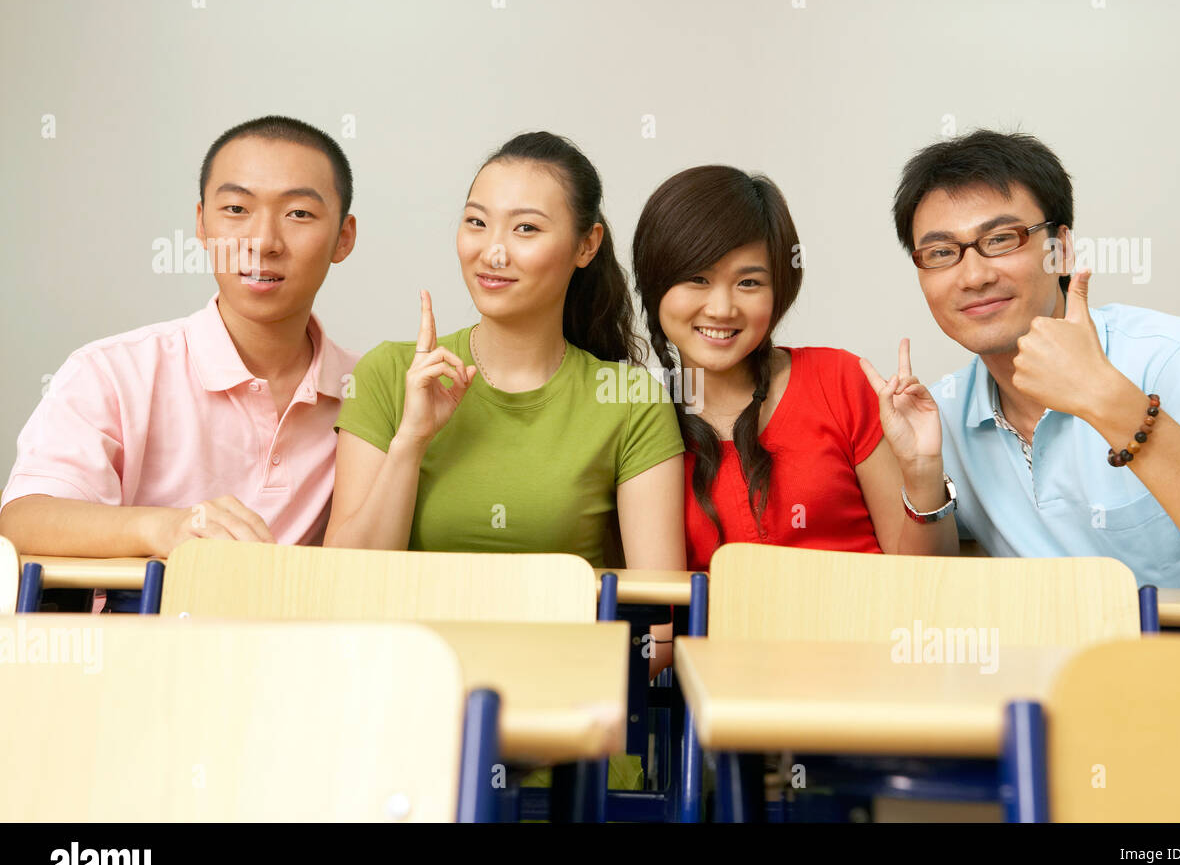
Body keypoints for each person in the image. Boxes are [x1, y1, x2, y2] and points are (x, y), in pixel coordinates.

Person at [893, 129, 1180, 592]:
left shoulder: (1175, 357)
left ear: (1061, 249)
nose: (974, 275)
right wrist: (923, 477)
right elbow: (924, 601)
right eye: (942, 252)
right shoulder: (943, 416)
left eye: (1002, 239)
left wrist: (1104, 397)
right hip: (1073, 664)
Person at [0, 115, 359, 609]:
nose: (263, 241)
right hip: (133, 667)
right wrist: (167, 526)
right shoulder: (113, 372)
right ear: (201, 223)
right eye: (236, 208)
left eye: (298, 214)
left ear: (344, 237)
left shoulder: (368, 393)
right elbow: (23, 520)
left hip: (295, 665)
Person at [326, 130, 684, 574]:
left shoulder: (631, 399)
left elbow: (659, 615)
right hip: (420, 646)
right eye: (476, 222)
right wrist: (410, 442)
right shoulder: (391, 372)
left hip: (566, 646)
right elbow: (341, 585)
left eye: (526, 228)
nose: (492, 252)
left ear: (586, 245)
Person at [632, 165, 958, 572]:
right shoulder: (639, 422)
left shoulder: (839, 380)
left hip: (860, 632)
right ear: (654, 282)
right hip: (716, 638)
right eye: (697, 279)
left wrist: (923, 474)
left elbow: (926, 577)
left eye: (749, 283)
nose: (721, 309)